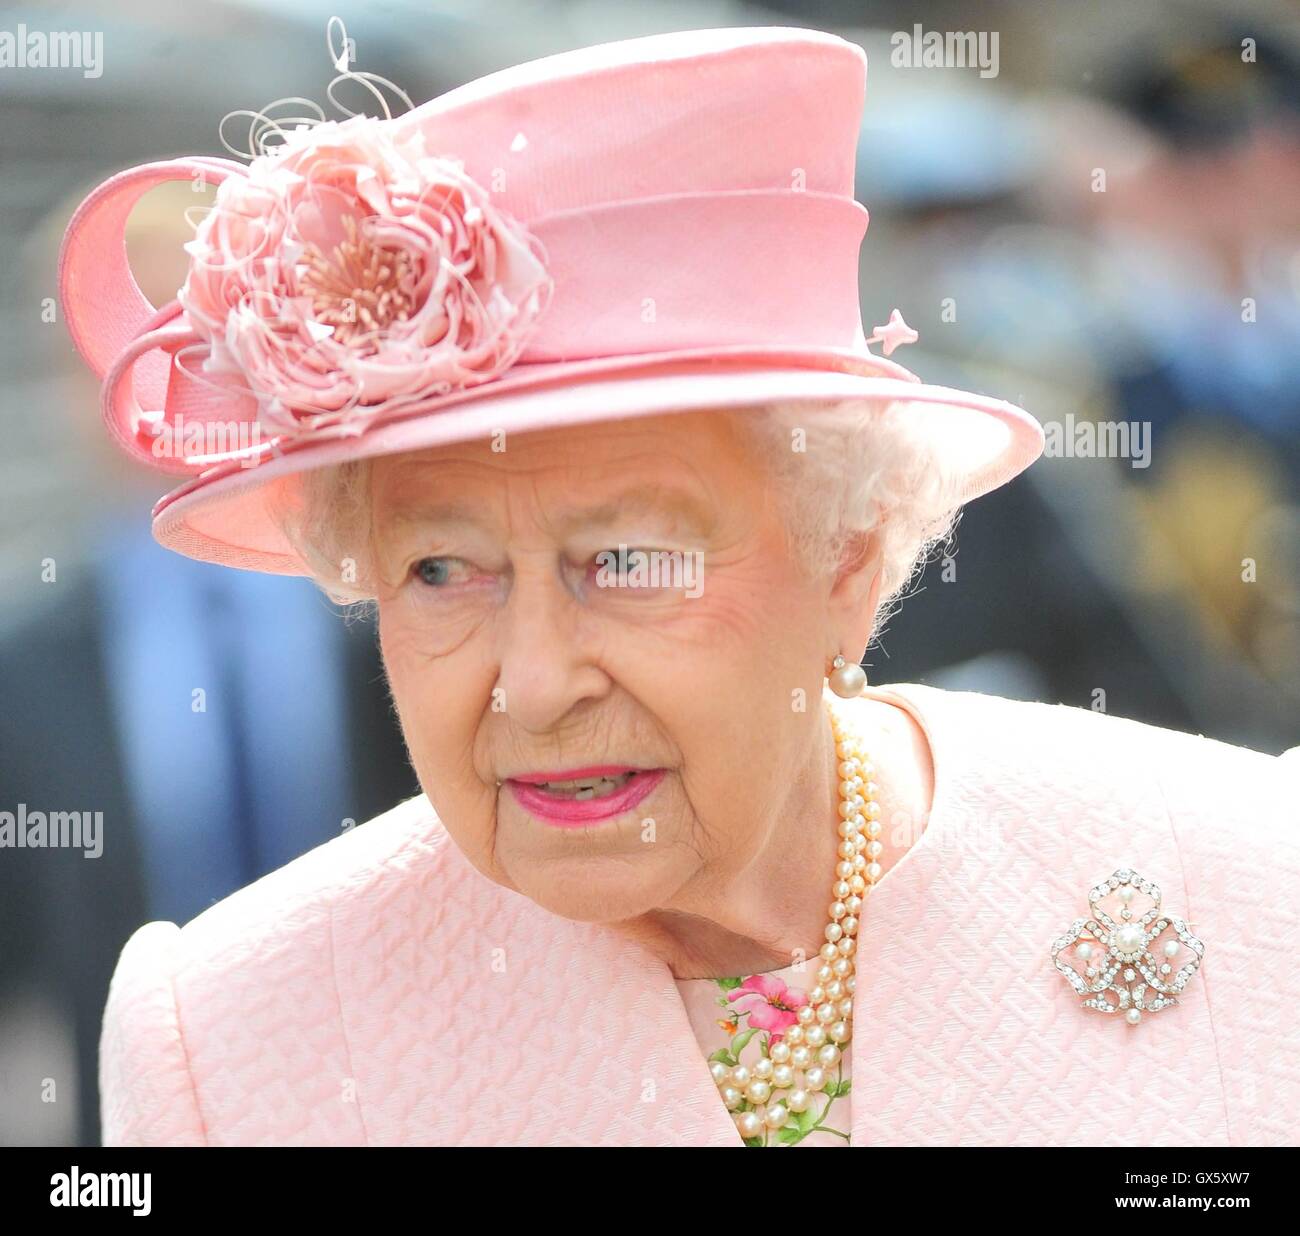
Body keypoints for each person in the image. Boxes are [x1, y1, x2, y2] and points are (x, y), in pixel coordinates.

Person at [58, 26, 1297, 1147]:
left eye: (629, 560)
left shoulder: (1248, 877)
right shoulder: (228, 1042)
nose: (534, 686)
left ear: (849, 558)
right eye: (440, 569)